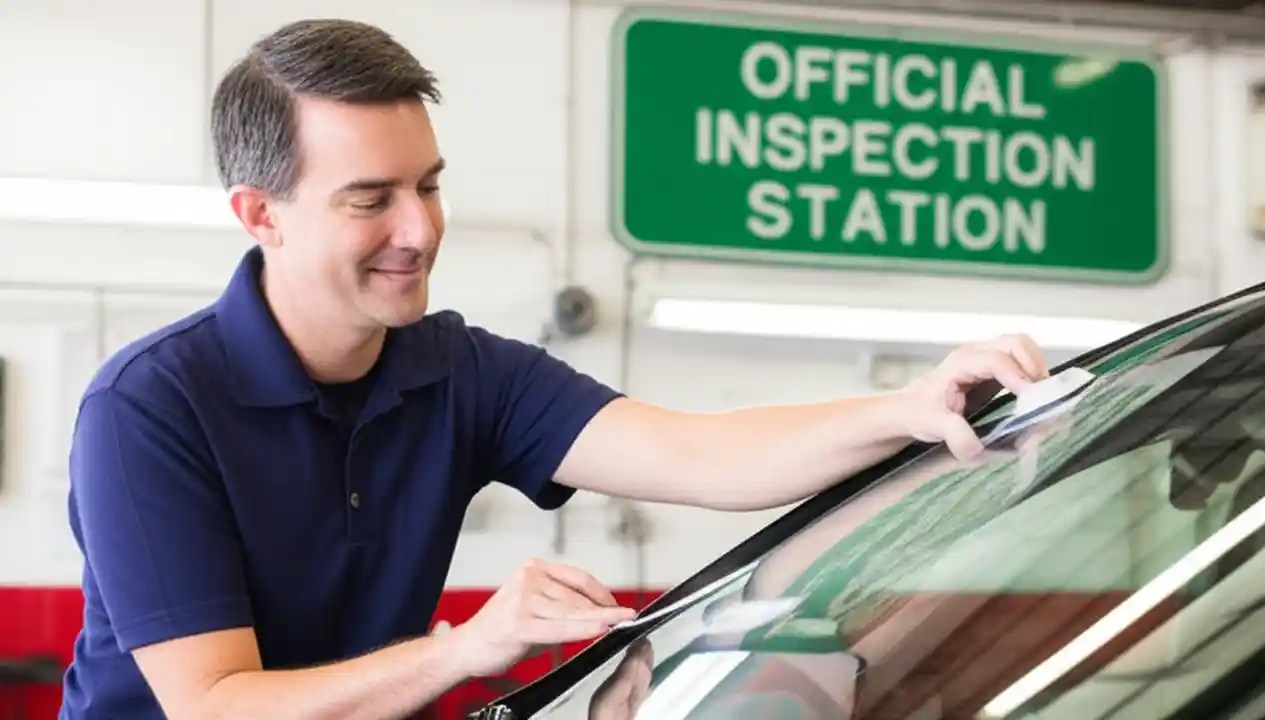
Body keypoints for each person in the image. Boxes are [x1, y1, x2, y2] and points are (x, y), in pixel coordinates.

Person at [57, 17, 1049, 720]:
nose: (420, 230)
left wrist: (905, 408)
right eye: (371, 199)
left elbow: (700, 454)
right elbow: (217, 706)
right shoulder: (149, 409)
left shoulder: (460, 373)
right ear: (260, 214)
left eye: (428, 186)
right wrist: (465, 648)